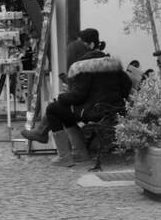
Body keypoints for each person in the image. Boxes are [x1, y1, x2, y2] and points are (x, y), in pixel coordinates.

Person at [21, 28, 132, 167]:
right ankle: (78, 151)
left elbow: (78, 96)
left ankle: (65, 155)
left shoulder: (85, 67)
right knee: (61, 109)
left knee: (53, 109)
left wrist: (62, 98)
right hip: (112, 110)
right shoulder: (112, 63)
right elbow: (127, 84)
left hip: (94, 111)